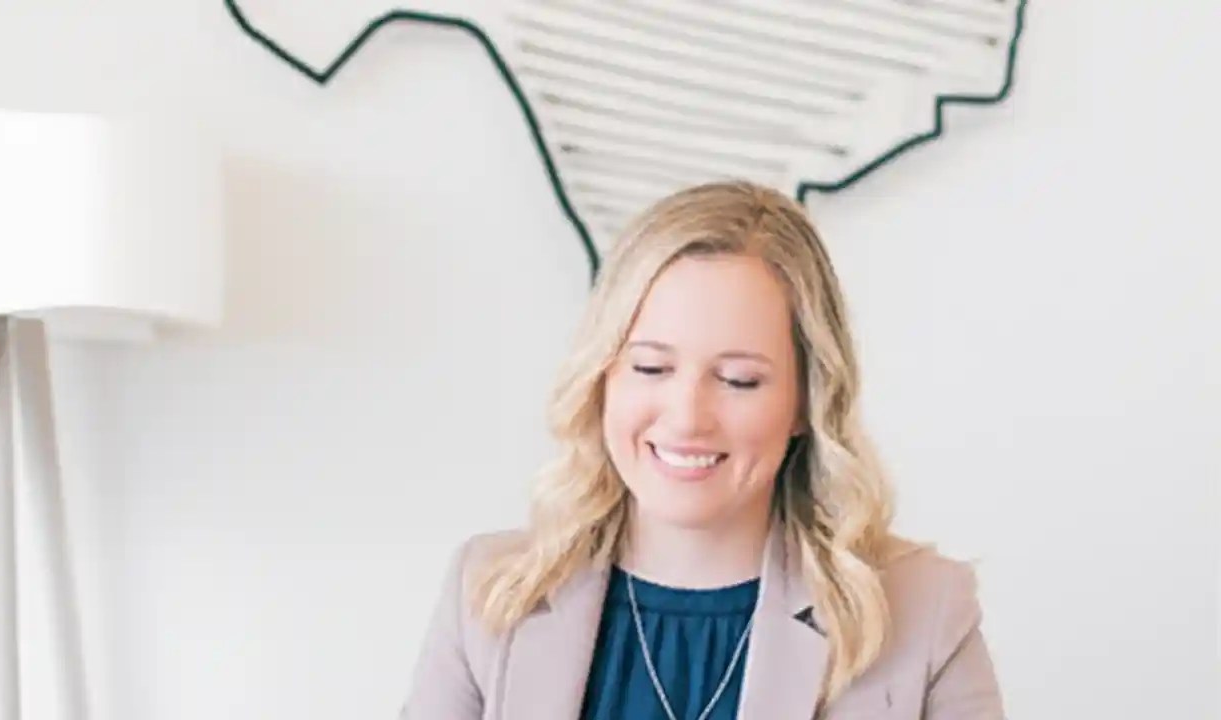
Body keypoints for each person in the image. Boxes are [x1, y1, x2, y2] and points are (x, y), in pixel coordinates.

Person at [399, 181, 1005, 719]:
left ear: (806, 401)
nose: (688, 417)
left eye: (739, 380)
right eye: (651, 366)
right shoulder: (487, 593)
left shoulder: (925, 610)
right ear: (603, 377)